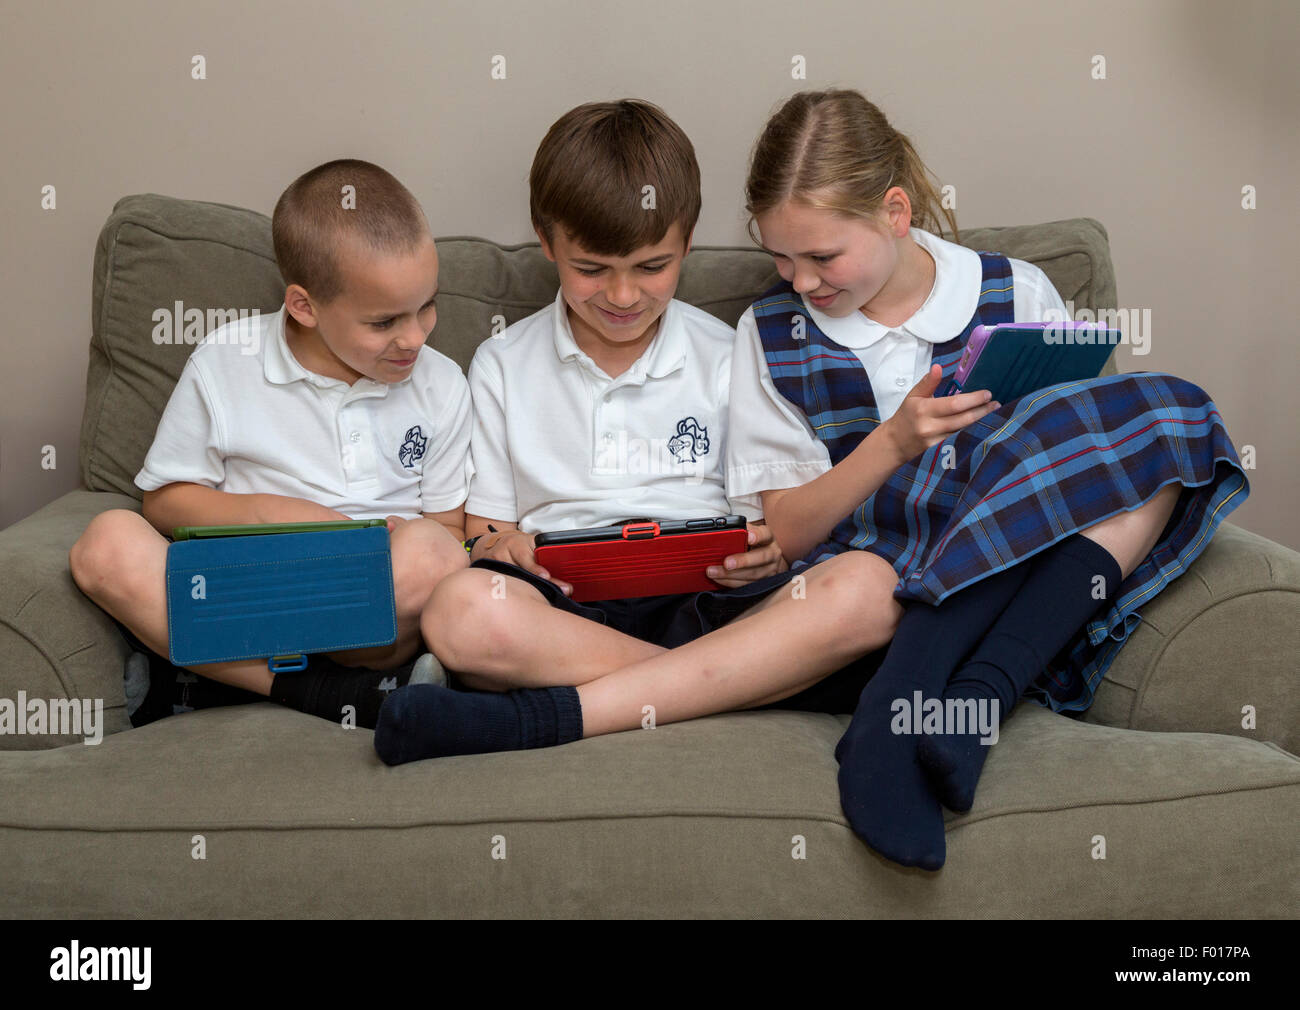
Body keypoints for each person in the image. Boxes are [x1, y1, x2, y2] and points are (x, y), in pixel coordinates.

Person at [728, 89, 1249, 868]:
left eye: (823, 257)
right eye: (780, 257)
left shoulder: (1016, 291)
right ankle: (917, 698)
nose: (800, 281)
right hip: (866, 593)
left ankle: (972, 696)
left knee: (1172, 422)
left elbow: (1090, 470)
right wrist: (892, 443)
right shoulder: (770, 332)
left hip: (1010, 565)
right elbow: (790, 530)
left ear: (894, 212)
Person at [372, 100, 902, 766]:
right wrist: (502, 547)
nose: (623, 297)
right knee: (461, 612)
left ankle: (571, 707)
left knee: (869, 588)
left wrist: (764, 553)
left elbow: (766, 524)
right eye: (592, 269)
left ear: (687, 242)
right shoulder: (503, 364)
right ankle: (742, 687)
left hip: (707, 598)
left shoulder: (732, 350)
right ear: (547, 241)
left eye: (652, 267)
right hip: (564, 611)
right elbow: (481, 530)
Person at [68, 159, 472, 729]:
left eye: (427, 305)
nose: (415, 337)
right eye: (384, 322)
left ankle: (210, 671)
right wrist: (288, 515)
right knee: (104, 543)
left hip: (365, 599)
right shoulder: (224, 360)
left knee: (431, 558)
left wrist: (409, 538)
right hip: (249, 583)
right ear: (304, 306)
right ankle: (321, 691)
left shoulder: (442, 384)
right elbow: (163, 503)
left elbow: (450, 531)